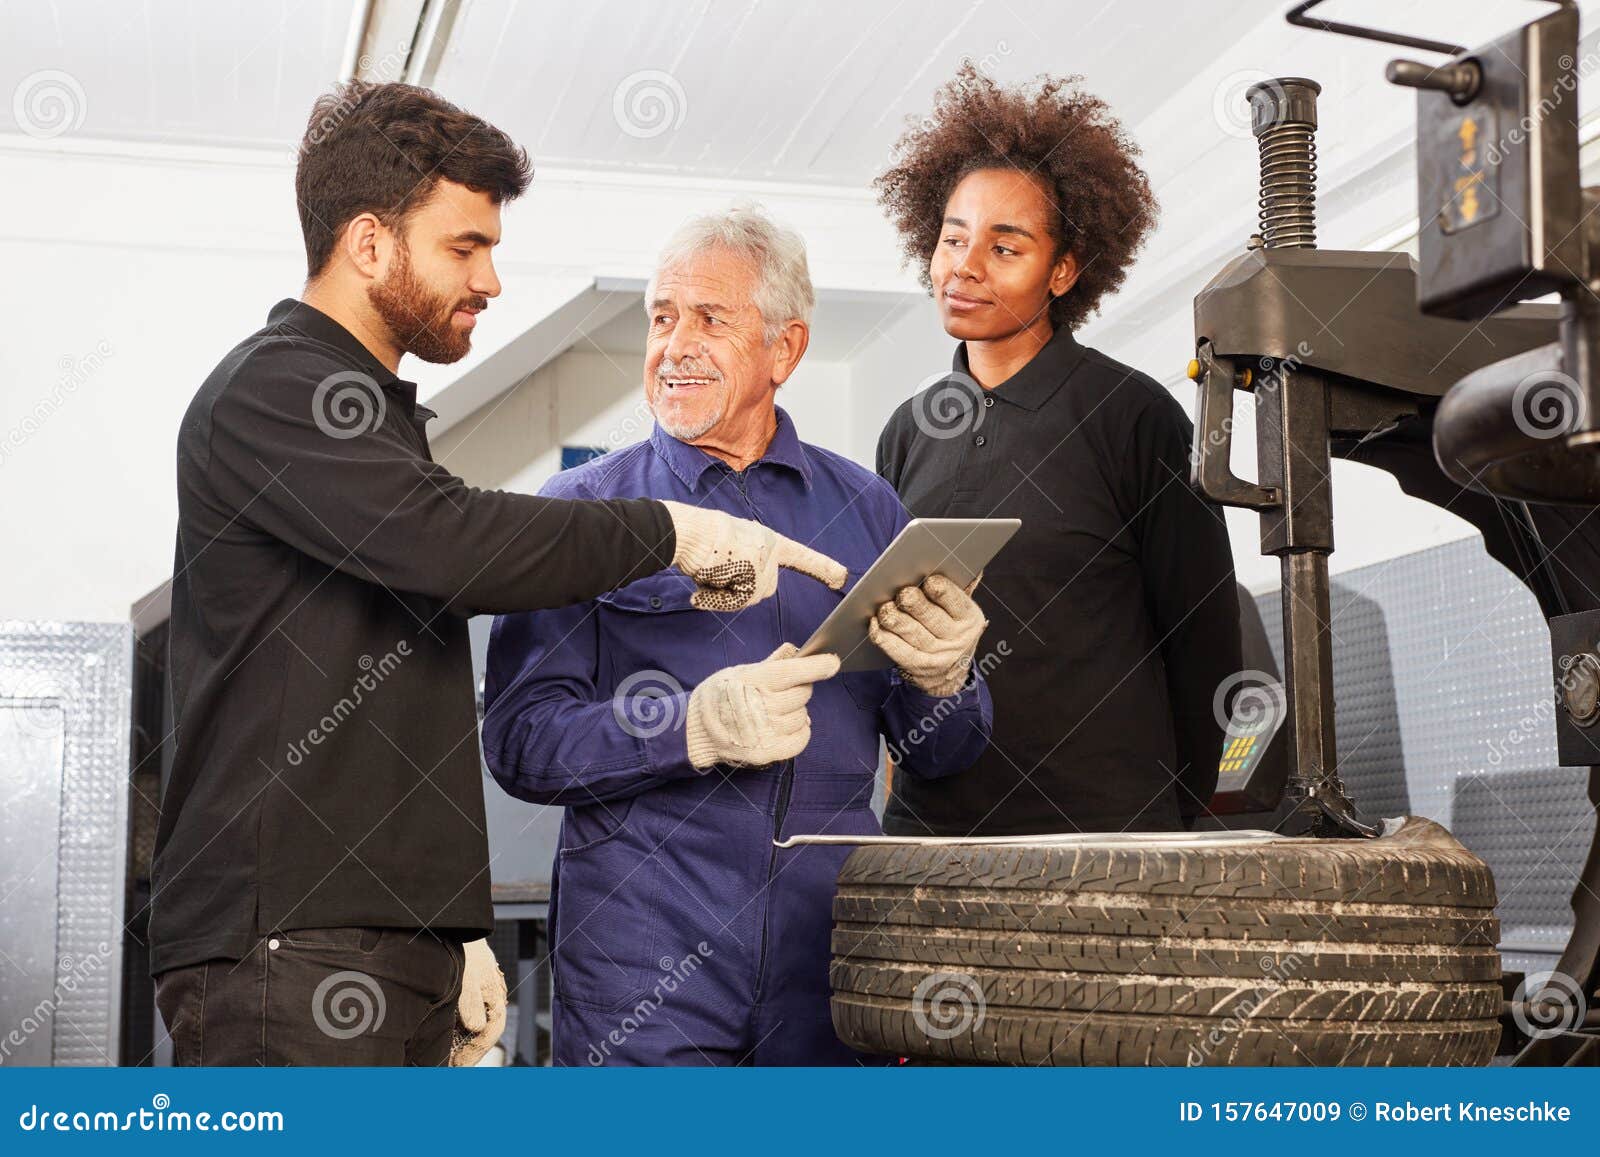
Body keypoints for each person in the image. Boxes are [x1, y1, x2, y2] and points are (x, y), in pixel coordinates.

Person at [150, 84, 845, 1067]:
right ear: (369, 245)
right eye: (464, 246)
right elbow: (456, 544)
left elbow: (391, 717)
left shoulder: (371, 426)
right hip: (289, 948)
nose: (491, 280)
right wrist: (672, 532)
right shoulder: (277, 388)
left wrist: (446, 928)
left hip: (363, 944)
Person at [482, 206, 993, 1065]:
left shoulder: (867, 508)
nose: (673, 344)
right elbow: (519, 742)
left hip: (829, 950)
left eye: (709, 319)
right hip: (640, 957)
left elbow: (942, 755)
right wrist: (692, 725)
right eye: (660, 317)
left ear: (785, 350)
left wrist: (947, 683)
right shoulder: (581, 514)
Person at [873, 64, 1241, 836]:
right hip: (932, 836)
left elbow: (1204, 641)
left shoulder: (1133, 416)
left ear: (1064, 269)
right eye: (952, 238)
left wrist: (1174, 826)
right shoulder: (906, 434)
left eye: (1005, 249)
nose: (965, 266)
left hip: (1102, 838)